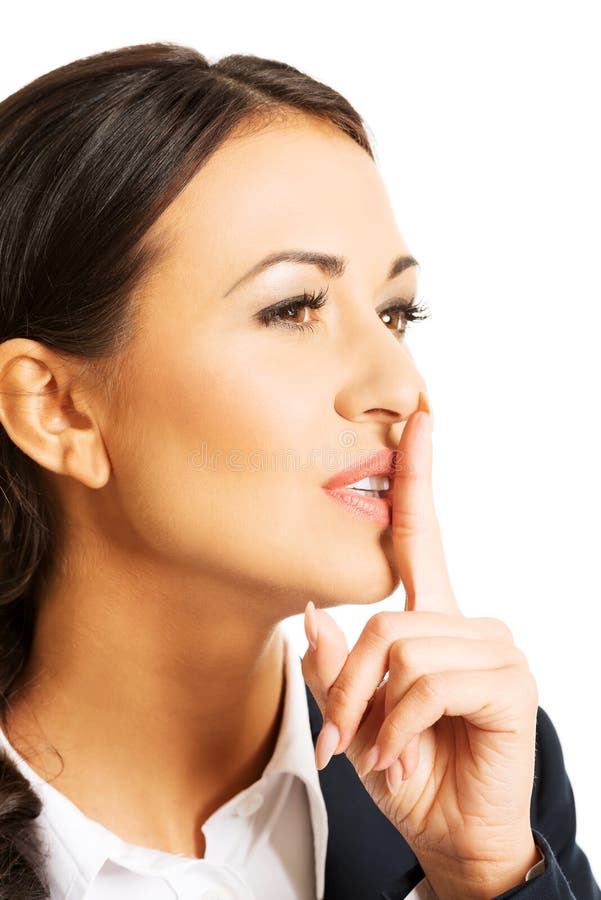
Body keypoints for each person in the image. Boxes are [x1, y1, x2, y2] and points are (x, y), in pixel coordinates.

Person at [0, 41, 598, 900]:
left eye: (397, 314)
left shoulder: (488, 780)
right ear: (56, 409)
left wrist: (482, 879)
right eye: (292, 309)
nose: (402, 387)